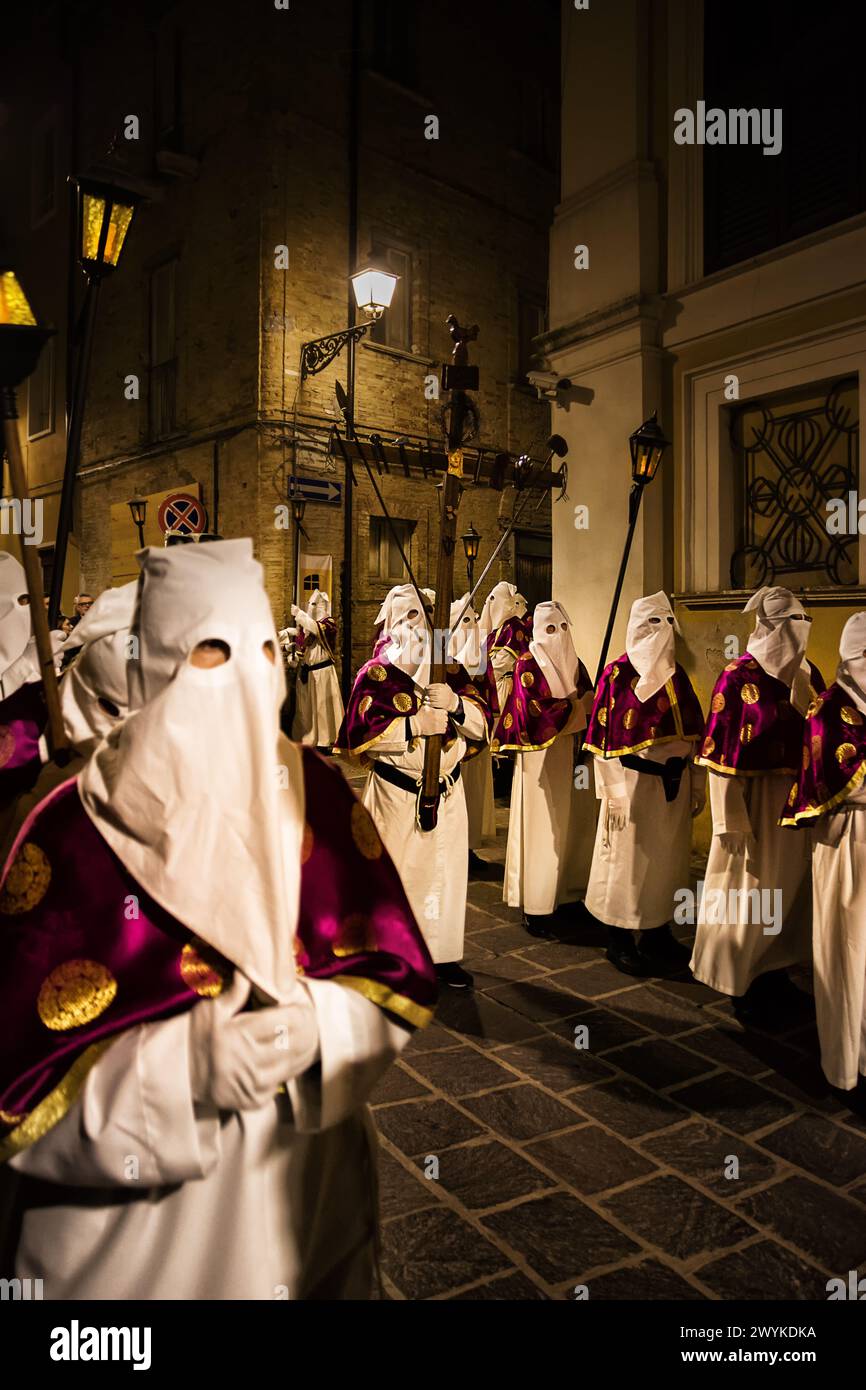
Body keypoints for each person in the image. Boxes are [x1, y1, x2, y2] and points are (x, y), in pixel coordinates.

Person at [0, 540, 436, 1300]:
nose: (245, 675)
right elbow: (19, 1073)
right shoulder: (69, 833)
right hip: (141, 1237)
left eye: (265, 647)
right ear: (156, 661)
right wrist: (182, 1074)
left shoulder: (320, 798)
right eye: (210, 649)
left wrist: (326, 1030)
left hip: (303, 1189)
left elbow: (383, 968)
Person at [335, 582, 492, 989]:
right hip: (395, 795)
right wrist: (412, 725)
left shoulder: (450, 670)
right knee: (396, 876)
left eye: (422, 618)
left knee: (444, 875)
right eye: (406, 618)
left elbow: (482, 725)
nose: (416, 628)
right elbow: (357, 736)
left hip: (448, 791)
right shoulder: (376, 676)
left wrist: (457, 706)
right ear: (390, 623)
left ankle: (441, 955)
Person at [690, 588, 824, 1026]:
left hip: (795, 804)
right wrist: (728, 818)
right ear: (769, 626)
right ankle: (738, 980)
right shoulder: (737, 676)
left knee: (790, 892)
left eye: (804, 620)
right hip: (754, 807)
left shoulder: (808, 673)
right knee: (749, 895)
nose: (799, 631)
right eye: (790, 622)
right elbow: (719, 752)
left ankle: (776, 967)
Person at [584, 591, 706, 976]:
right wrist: (612, 793)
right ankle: (618, 935)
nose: (662, 631)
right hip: (632, 785)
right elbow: (602, 742)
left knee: (666, 861)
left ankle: (656, 929)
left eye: (668, 621)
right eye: (653, 622)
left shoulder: (679, 676)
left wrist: (696, 783)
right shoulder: (617, 675)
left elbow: (695, 735)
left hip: (674, 785)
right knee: (625, 862)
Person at [781, 611, 866, 1091]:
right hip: (847, 844)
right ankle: (845, 1063)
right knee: (847, 950)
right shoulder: (829, 711)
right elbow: (835, 780)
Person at [497, 601, 594, 936]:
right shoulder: (528, 664)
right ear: (537, 630)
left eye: (563, 627)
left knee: (573, 826)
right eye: (550, 628)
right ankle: (537, 906)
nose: (558, 635)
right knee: (542, 828)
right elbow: (535, 713)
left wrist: (588, 706)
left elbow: (589, 699)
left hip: (572, 755)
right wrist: (579, 708)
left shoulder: (577, 665)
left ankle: (567, 895)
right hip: (540, 761)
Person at [449, 595, 498, 868]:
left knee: (475, 792)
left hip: (477, 733)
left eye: (474, 620)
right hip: (454, 738)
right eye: (464, 621)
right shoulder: (443, 657)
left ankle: (469, 847)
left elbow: (486, 685)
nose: (471, 626)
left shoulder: (477, 651)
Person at [288, 590, 344, 751]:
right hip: (307, 671)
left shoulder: (328, 623)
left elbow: (317, 629)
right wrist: (295, 658)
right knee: (305, 709)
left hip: (322, 672)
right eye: (310, 604)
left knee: (321, 707)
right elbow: (301, 644)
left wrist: (299, 614)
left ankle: (324, 741)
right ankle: (307, 739)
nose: (311, 608)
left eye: (315, 604)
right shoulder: (307, 625)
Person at [479, 581, 531, 714]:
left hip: (506, 687)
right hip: (491, 685)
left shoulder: (514, 627)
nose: (491, 606)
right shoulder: (496, 632)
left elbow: (502, 663)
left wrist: (481, 670)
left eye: (495, 601)